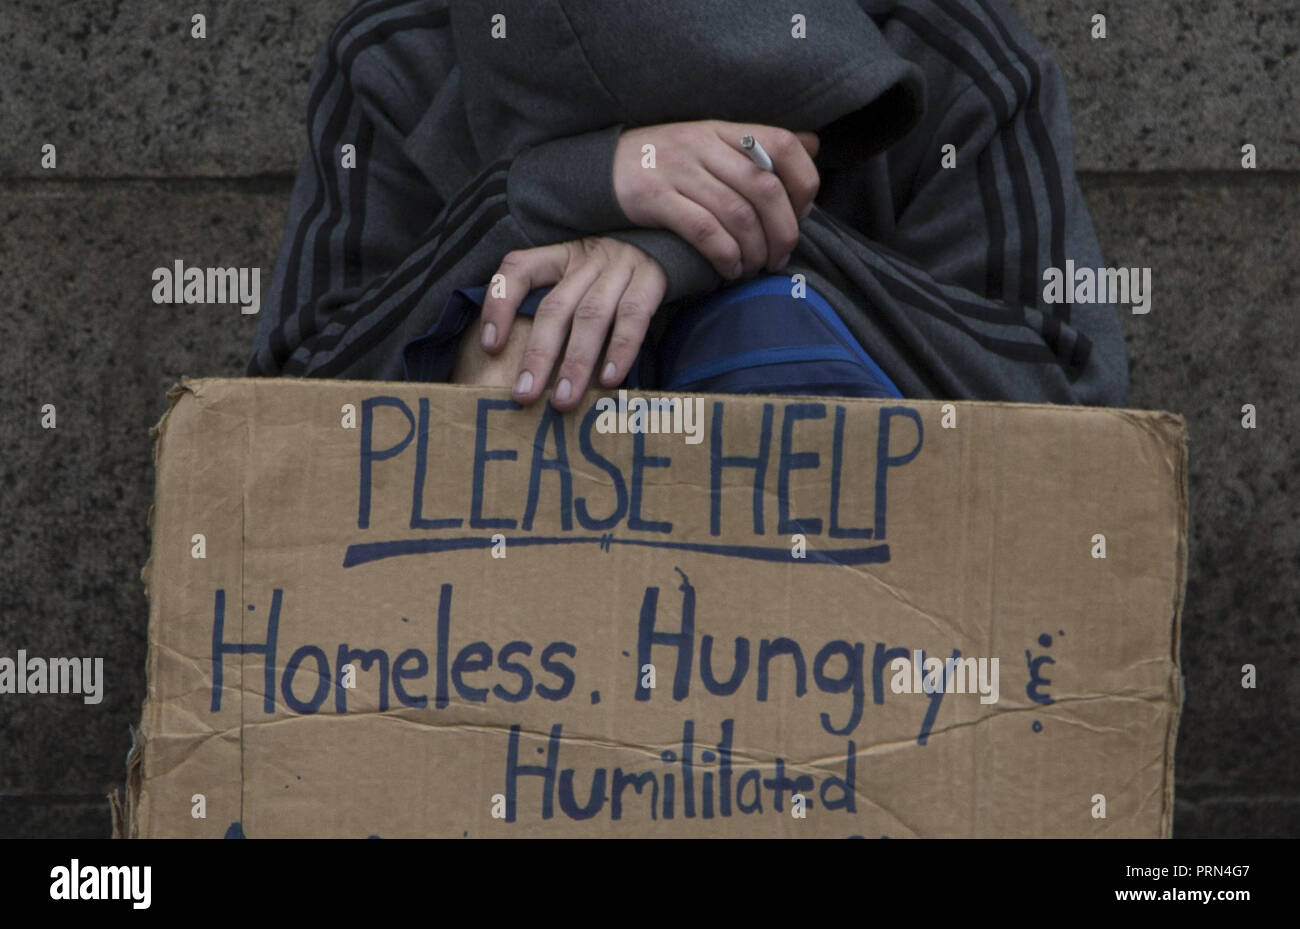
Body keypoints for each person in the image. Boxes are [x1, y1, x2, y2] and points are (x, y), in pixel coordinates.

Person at [248, 0, 1128, 410]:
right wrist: (557, 192)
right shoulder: (400, 52)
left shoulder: (952, 48)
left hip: (855, 689)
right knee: (527, 339)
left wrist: (708, 245)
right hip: (500, 683)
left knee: (774, 338)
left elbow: (1076, 401)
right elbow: (271, 424)